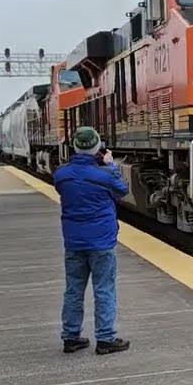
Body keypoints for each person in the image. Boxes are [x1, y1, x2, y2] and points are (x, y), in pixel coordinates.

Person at [53, 126, 131, 355]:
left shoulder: (61, 175)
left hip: (74, 241)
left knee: (73, 290)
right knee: (104, 288)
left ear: (74, 147)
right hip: (102, 242)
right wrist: (111, 165)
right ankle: (106, 339)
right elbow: (122, 190)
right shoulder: (105, 174)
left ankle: (70, 337)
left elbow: (64, 187)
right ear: (98, 147)